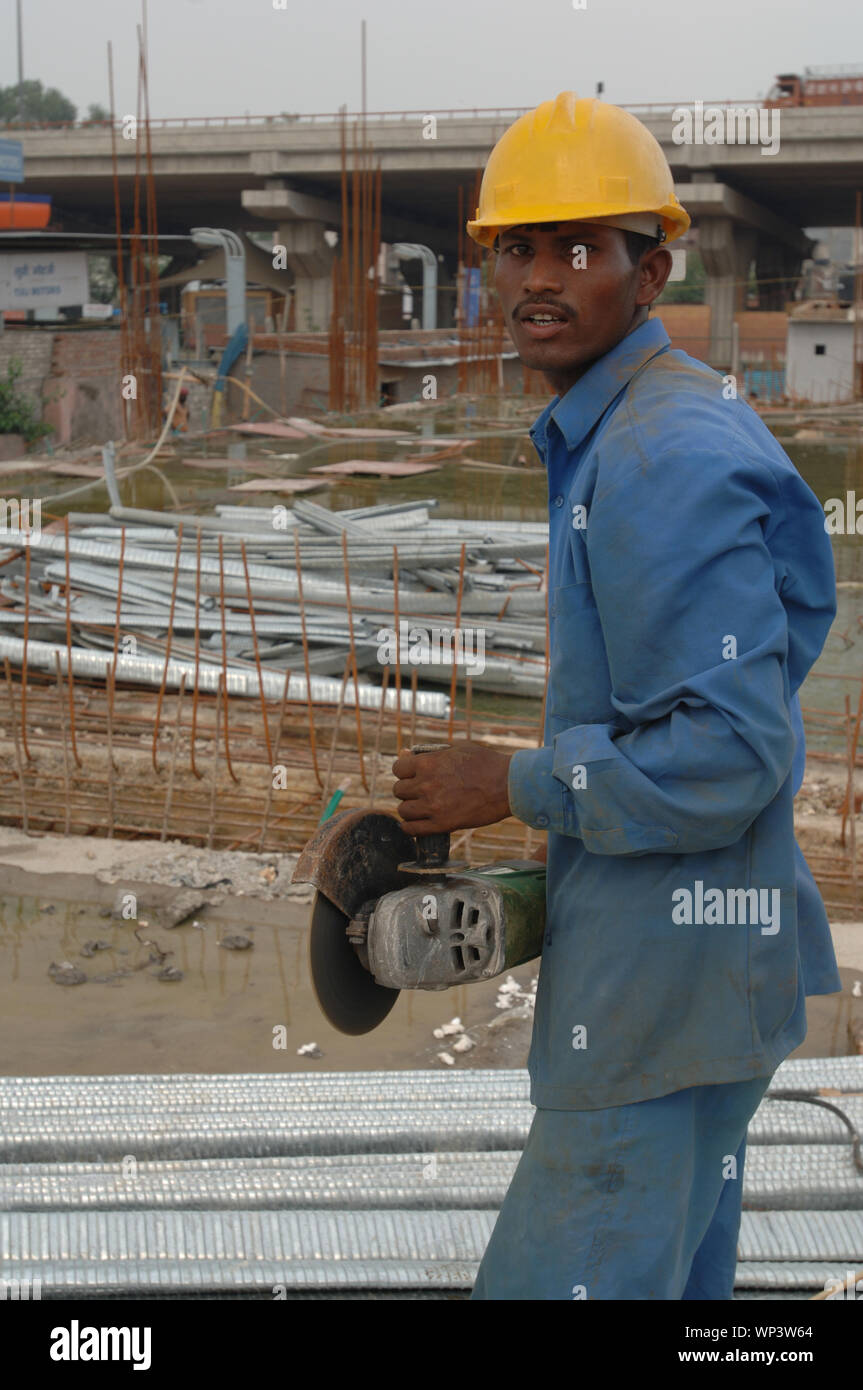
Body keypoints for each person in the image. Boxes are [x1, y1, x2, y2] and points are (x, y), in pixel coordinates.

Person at [390, 93, 839, 1300]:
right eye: (516, 249)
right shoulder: (635, 427)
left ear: (648, 274)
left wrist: (514, 782)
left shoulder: (656, 456)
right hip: (698, 990)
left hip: (649, 1019)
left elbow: (731, 749)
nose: (540, 276)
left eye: (578, 249)